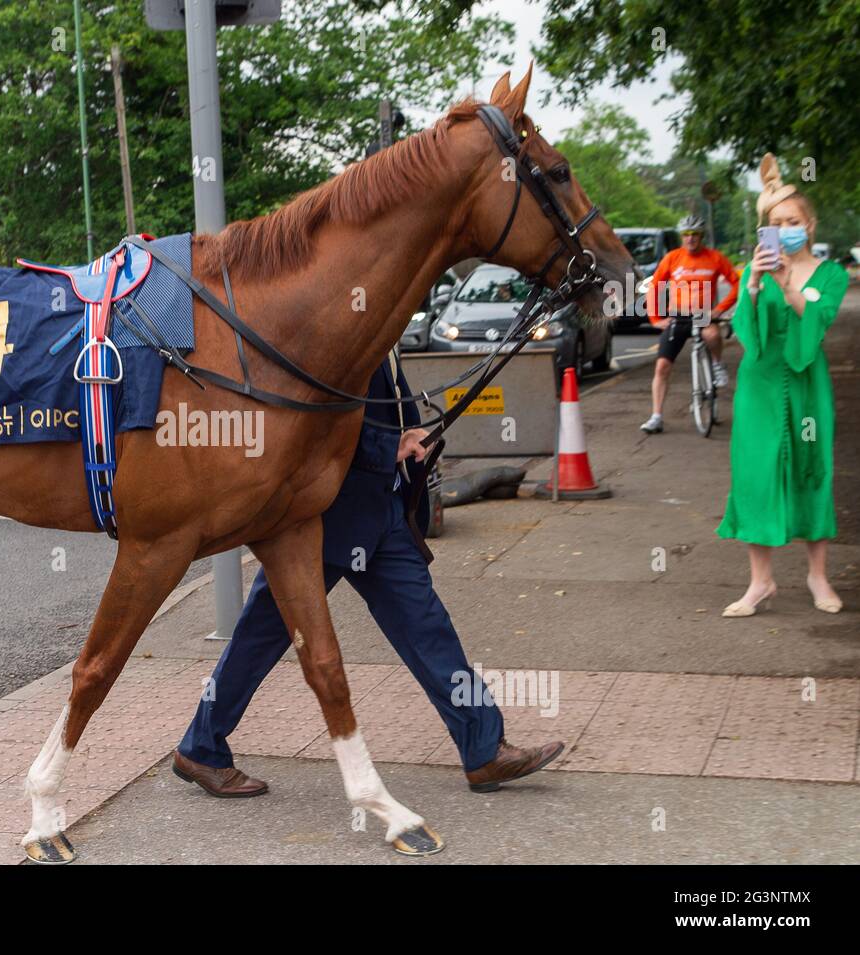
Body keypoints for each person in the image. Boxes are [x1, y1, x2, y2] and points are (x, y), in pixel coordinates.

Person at [172, 350, 564, 799]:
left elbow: (385, 398)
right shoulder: (338, 307)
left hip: (381, 513)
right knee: (261, 635)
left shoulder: (379, 313)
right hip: (324, 519)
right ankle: (201, 746)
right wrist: (387, 447)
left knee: (427, 627)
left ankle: (484, 749)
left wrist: (411, 434)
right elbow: (313, 414)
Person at [717, 154, 846, 617]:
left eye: (793, 220)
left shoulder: (829, 274)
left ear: (809, 225)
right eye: (776, 222)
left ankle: (817, 576)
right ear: (764, 230)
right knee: (755, 475)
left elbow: (819, 322)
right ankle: (760, 583)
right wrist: (752, 287)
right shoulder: (754, 271)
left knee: (813, 470)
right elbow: (746, 336)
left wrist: (790, 287)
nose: (786, 227)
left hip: (808, 387)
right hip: (760, 388)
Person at [639, 214, 741, 433]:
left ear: (701, 236)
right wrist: (656, 319)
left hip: (704, 315)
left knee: (712, 335)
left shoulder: (715, 258)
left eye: (695, 234)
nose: (690, 238)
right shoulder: (672, 258)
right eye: (686, 234)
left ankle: (717, 364)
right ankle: (656, 416)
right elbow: (655, 287)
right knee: (662, 366)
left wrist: (720, 309)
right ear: (681, 236)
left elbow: (737, 284)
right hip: (677, 316)